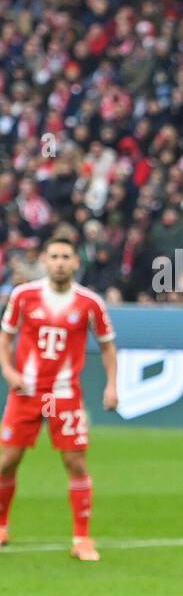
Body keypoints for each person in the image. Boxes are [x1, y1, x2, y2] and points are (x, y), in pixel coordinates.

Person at [0, 233, 118, 561]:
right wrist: (9, 373)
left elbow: (107, 346)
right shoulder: (24, 296)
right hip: (26, 392)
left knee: (75, 461)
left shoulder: (90, 303)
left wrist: (112, 385)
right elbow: (4, 339)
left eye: (66, 257)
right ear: (45, 261)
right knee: (7, 461)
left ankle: (82, 538)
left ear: (76, 262)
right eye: (54, 256)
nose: (60, 262)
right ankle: (1, 525)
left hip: (63, 395)